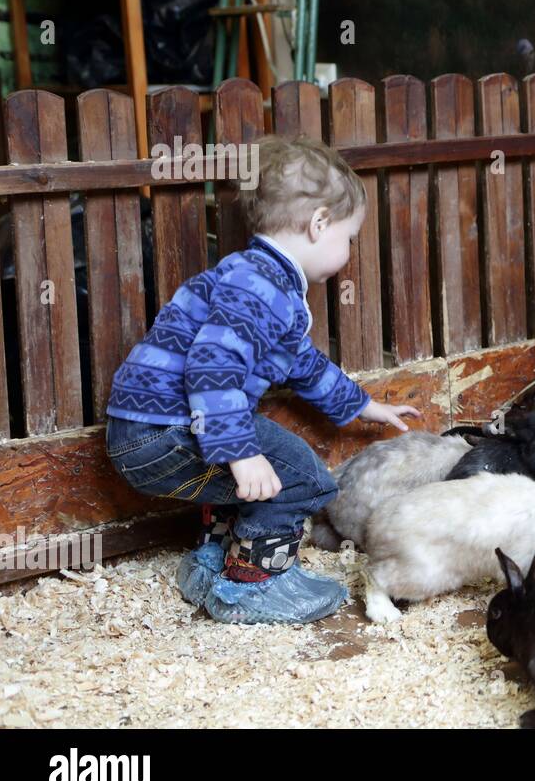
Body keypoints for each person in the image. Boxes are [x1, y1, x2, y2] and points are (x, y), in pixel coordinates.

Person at [105, 135, 418, 623]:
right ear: (319, 224)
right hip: (164, 428)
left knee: (259, 477)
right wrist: (241, 451)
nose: (348, 252)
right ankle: (254, 586)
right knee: (304, 479)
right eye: (349, 238)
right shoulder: (263, 288)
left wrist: (363, 406)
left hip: (145, 429)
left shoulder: (256, 280)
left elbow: (301, 362)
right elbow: (212, 368)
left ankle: (211, 565)